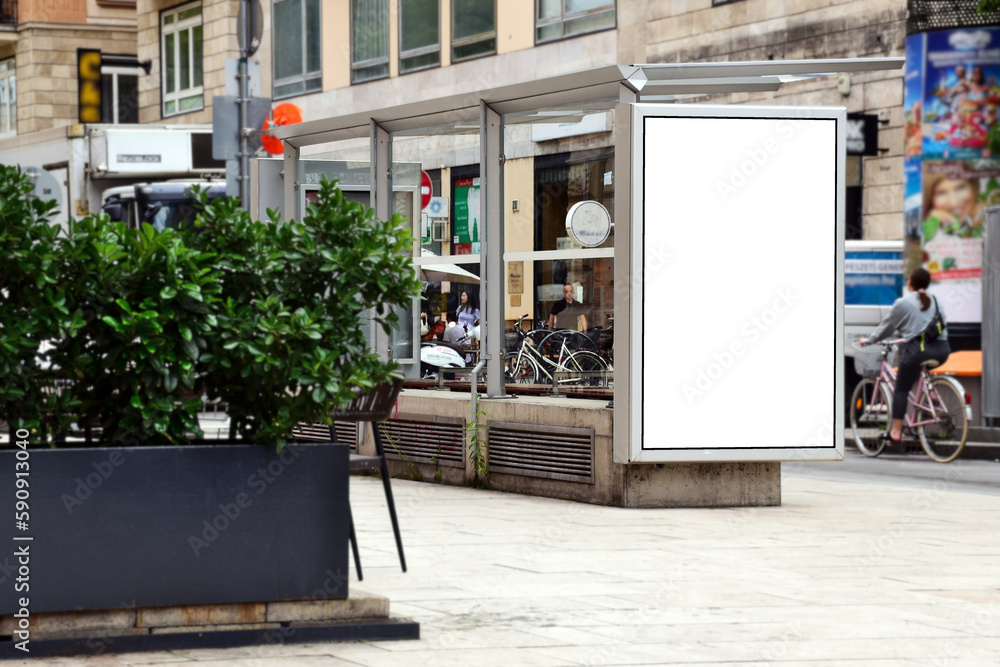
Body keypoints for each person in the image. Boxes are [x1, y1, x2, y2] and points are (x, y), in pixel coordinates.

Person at [860, 268, 950, 444]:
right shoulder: (937, 300)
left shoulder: (903, 302)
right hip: (943, 350)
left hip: (918, 350)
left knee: (901, 390)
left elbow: (886, 327)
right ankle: (930, 393)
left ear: (910, 282)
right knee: (920, 368)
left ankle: (895, 432)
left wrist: (869, 340)